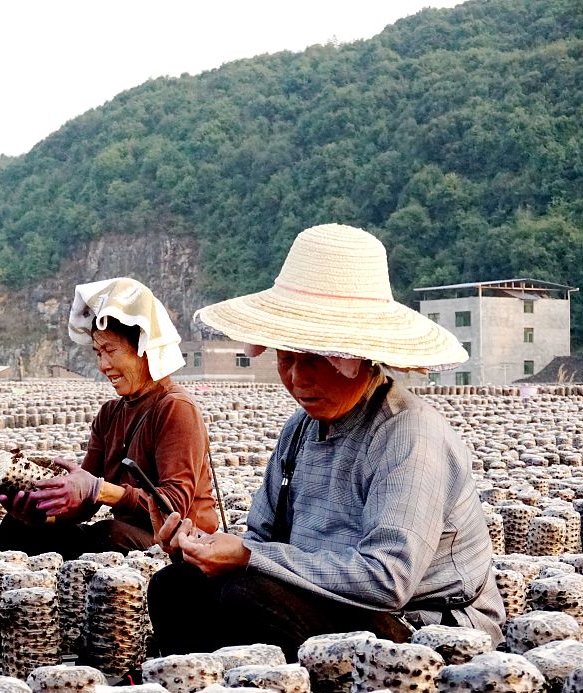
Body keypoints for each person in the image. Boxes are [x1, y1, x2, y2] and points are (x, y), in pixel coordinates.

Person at [148, 224, 503, 659]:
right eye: (286, 359)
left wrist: (249, 559)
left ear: (357, 356)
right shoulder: (299, 431)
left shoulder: (409, 435)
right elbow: (260, 539)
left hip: (420, 624)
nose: (297, 379)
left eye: (315, 360)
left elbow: (387, 579)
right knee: (176, 587)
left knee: (244, 596)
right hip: (321, 595)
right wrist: (201, 548)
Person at [0, 277, 218, 561]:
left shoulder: (175, 408)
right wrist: (42, 510)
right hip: (123, 533)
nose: (103, 365)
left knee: (109, 533)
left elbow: (175, 504)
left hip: (178, 543)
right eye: (97, 352)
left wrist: (100, 489)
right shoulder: (110, 414)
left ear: (144, 349)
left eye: (110, 351)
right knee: (20, 527)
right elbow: (85, 506)